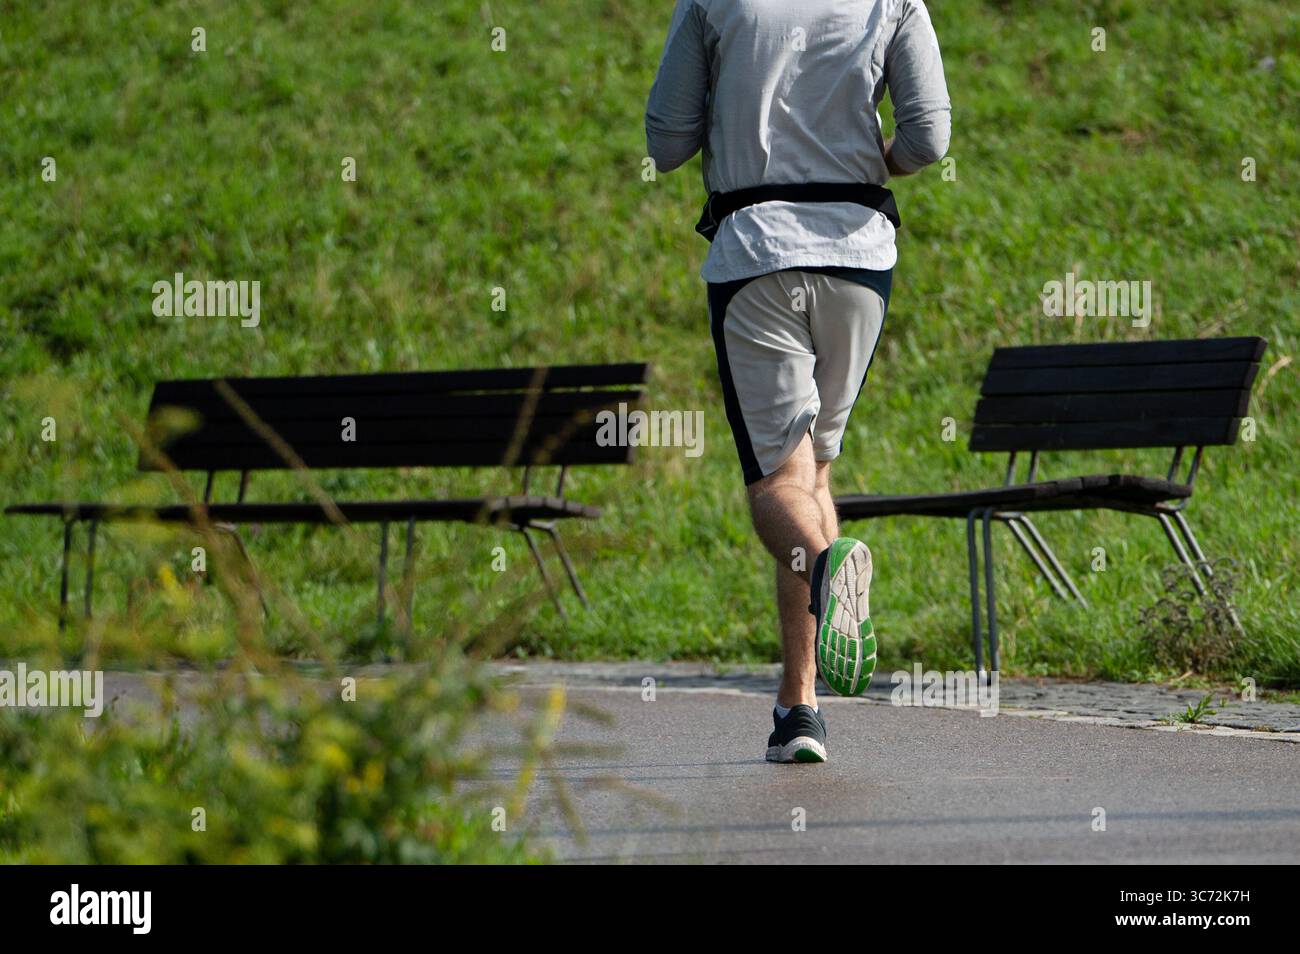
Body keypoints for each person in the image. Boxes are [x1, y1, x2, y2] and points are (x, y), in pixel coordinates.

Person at [645, 0, 951, 762]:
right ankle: (799, 708)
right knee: (813, 471)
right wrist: (872, 157)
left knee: (776, 485)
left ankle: (825, 571)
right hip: (859, 257)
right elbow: (929, 137)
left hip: (758, 252)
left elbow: (667, 140)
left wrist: (735, 99)